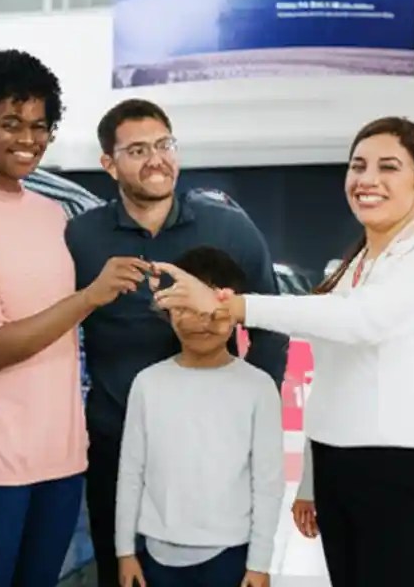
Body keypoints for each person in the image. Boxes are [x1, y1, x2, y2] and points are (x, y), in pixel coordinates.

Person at [152, 116, 414, 587]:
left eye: (388, 167)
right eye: (357, 166)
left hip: (409, 467)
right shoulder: (354, 265)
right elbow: (333, 376)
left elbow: (360, 323)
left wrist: (235, 306)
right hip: (340, 462)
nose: (367, 180)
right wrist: (309, 479)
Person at [0, 49, 149, 586]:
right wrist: (90, 296)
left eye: (39, 125)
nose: (28, 138)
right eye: (11, 123)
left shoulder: (51, 213)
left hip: (61, 458)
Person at [63, 98, 289, 583]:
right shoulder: (80, 238)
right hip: (116, 443)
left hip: (214, 452)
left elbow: (269, 322)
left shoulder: (229, 229)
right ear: (109, 163)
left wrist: (251, 406)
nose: (156, 159)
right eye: (138, 149)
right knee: (121, 571)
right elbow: (58, 327)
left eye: (164, 144)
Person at [116, 245, 282, 587]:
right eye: (185, 310)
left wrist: (260, 563)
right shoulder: (148, 383)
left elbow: (268, 482)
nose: (199, 322)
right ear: (168, 310)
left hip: (230, 552)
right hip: (155, 552)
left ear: (236, 311)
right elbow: (131, 471)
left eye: (211, 311)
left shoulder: (257, 387)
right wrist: (125, 551)